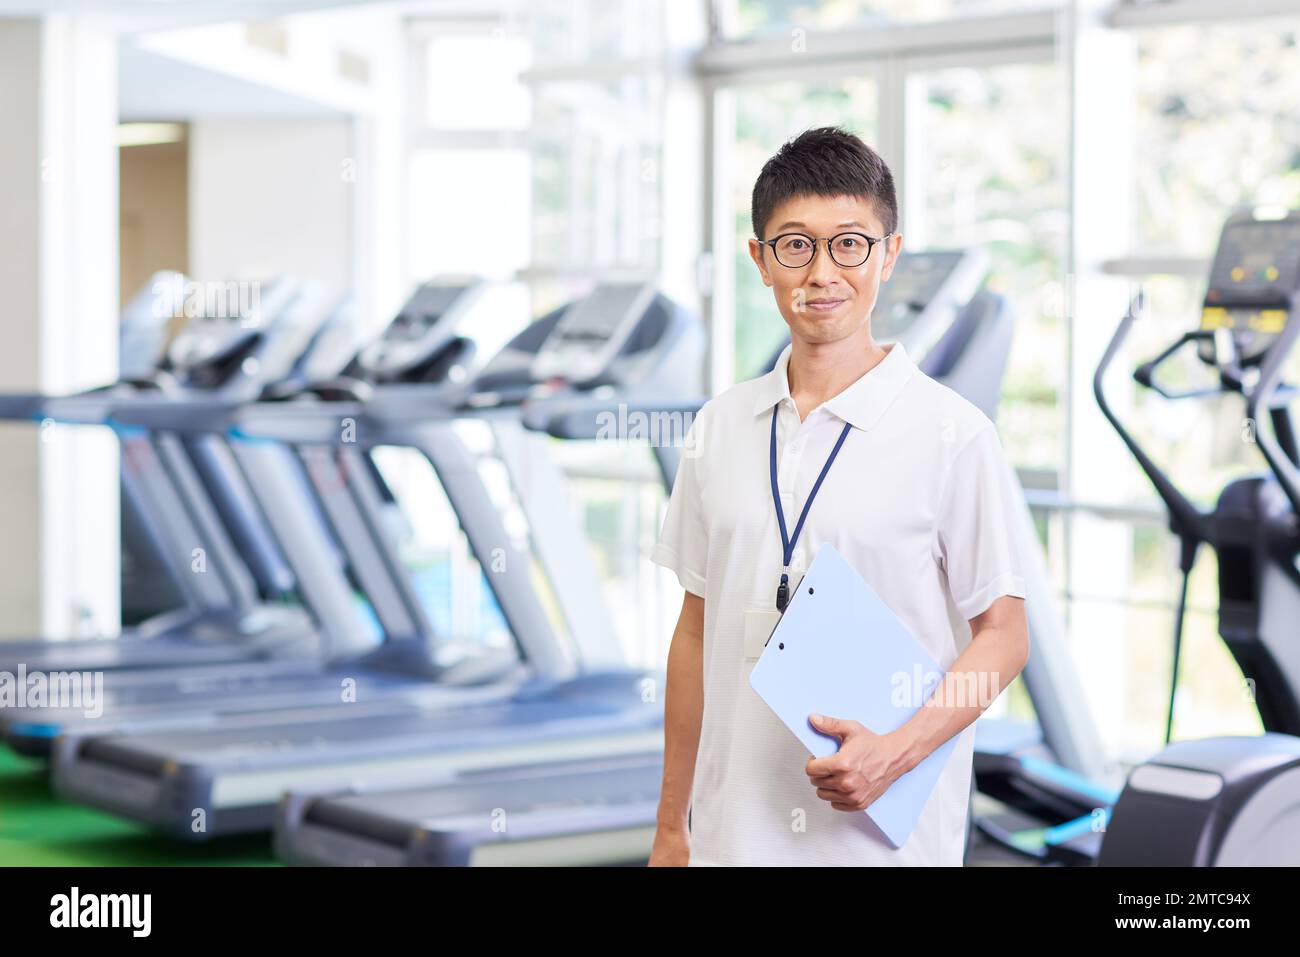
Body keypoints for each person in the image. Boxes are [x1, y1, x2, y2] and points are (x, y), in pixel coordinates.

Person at [648, 126, 1029, 867]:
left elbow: (1004, 638)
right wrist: (671, 825)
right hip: (732, 844)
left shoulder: (955, 434)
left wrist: (895, 751)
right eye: (795, 245)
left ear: (888, 254)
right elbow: (694, 632)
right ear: (760, 259)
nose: (822, 272)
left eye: (849, 244)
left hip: (882, 848)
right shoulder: (720, 424)